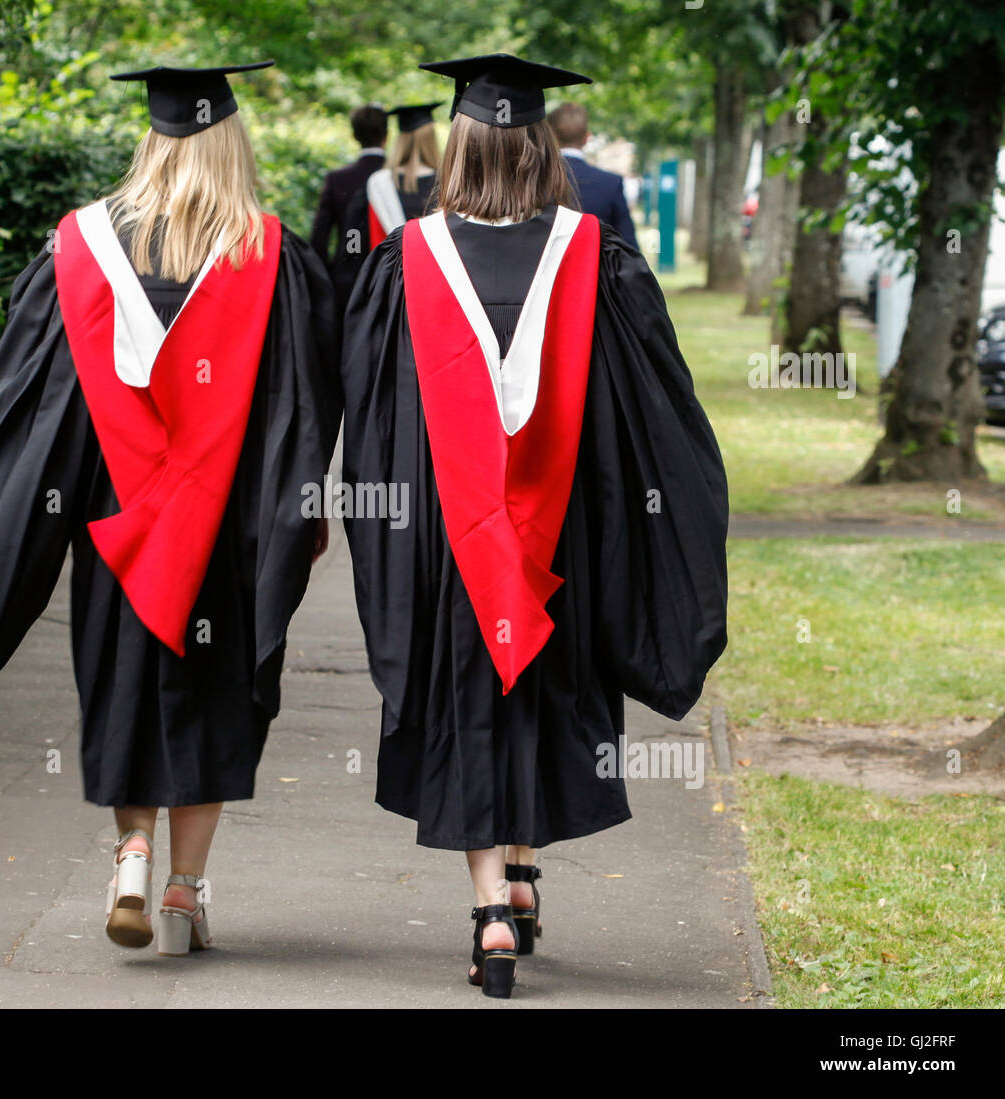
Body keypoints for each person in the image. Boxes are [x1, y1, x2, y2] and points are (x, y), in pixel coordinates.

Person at [341, 54, 727, 998]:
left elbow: (376, 419)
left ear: (462, 144)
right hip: (568, 540)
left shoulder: (407, 262)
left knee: (471, 690)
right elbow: (658, 411)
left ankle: (490, 911)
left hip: (450, 538)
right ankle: (522, 867)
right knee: (544, 676)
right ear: (542, 145)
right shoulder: (600, 257)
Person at [0, 61, 341, 958]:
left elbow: (32, 403)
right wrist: (299, 510)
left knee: (124, 685)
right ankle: (184, 890)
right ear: (233, 146)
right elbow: (307, 404)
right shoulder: (271, 258)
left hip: (116, 527)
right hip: (230, 533)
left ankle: (128, 853)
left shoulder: (76, 249)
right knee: (219, 696)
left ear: (150, 142)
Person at [310, 104, 388, 315]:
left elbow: (319, 238)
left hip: (347, 279)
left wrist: (326, 281)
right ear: (387, 135)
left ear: (354, 135)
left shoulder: (337, 180)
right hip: (391, 278)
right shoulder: (397, 178)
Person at [548, 100, 639, 250]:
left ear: (551, 136)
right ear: (587, 137)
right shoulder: (611, 184)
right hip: (595, 272)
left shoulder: (532, 181)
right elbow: (629, 246)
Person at [359, 103, 443, 248]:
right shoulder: (449, 180)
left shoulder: (380, 182)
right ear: (431, 138)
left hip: (397, 267)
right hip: (440, 266)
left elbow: (377, 240)